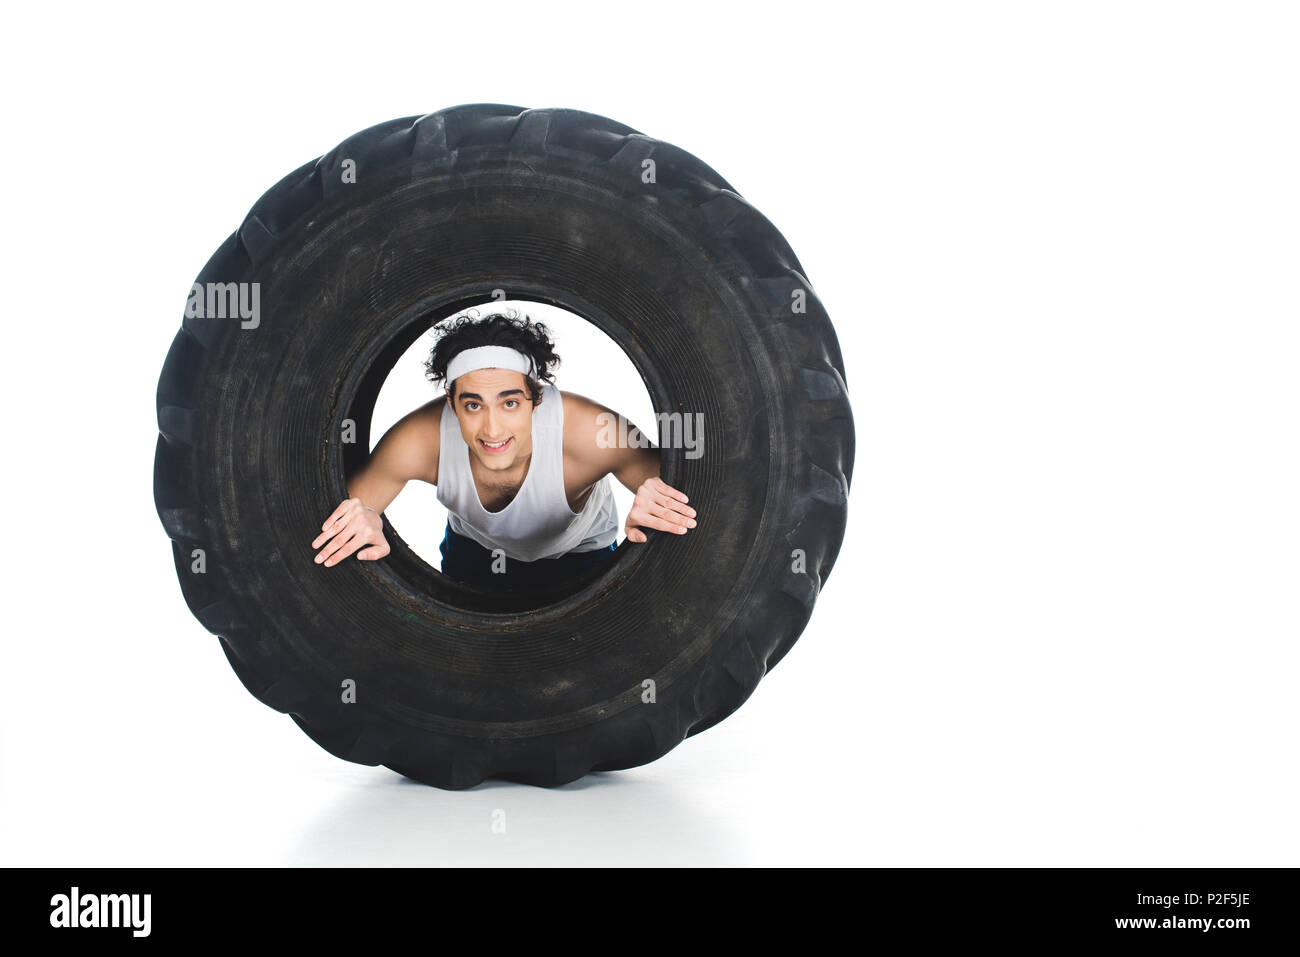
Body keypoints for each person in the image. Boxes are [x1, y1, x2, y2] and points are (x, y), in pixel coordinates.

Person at [310, 310, 697, 589]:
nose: (492, 429)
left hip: (582, 557)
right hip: (473, 555)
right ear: (450, 401)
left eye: (510, 403)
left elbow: (689, 491)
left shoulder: (592, 433)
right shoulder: (418, 440)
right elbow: (342, 512)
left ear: (535, 398)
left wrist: (654, 502)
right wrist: (366, 520)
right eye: (473, 405)